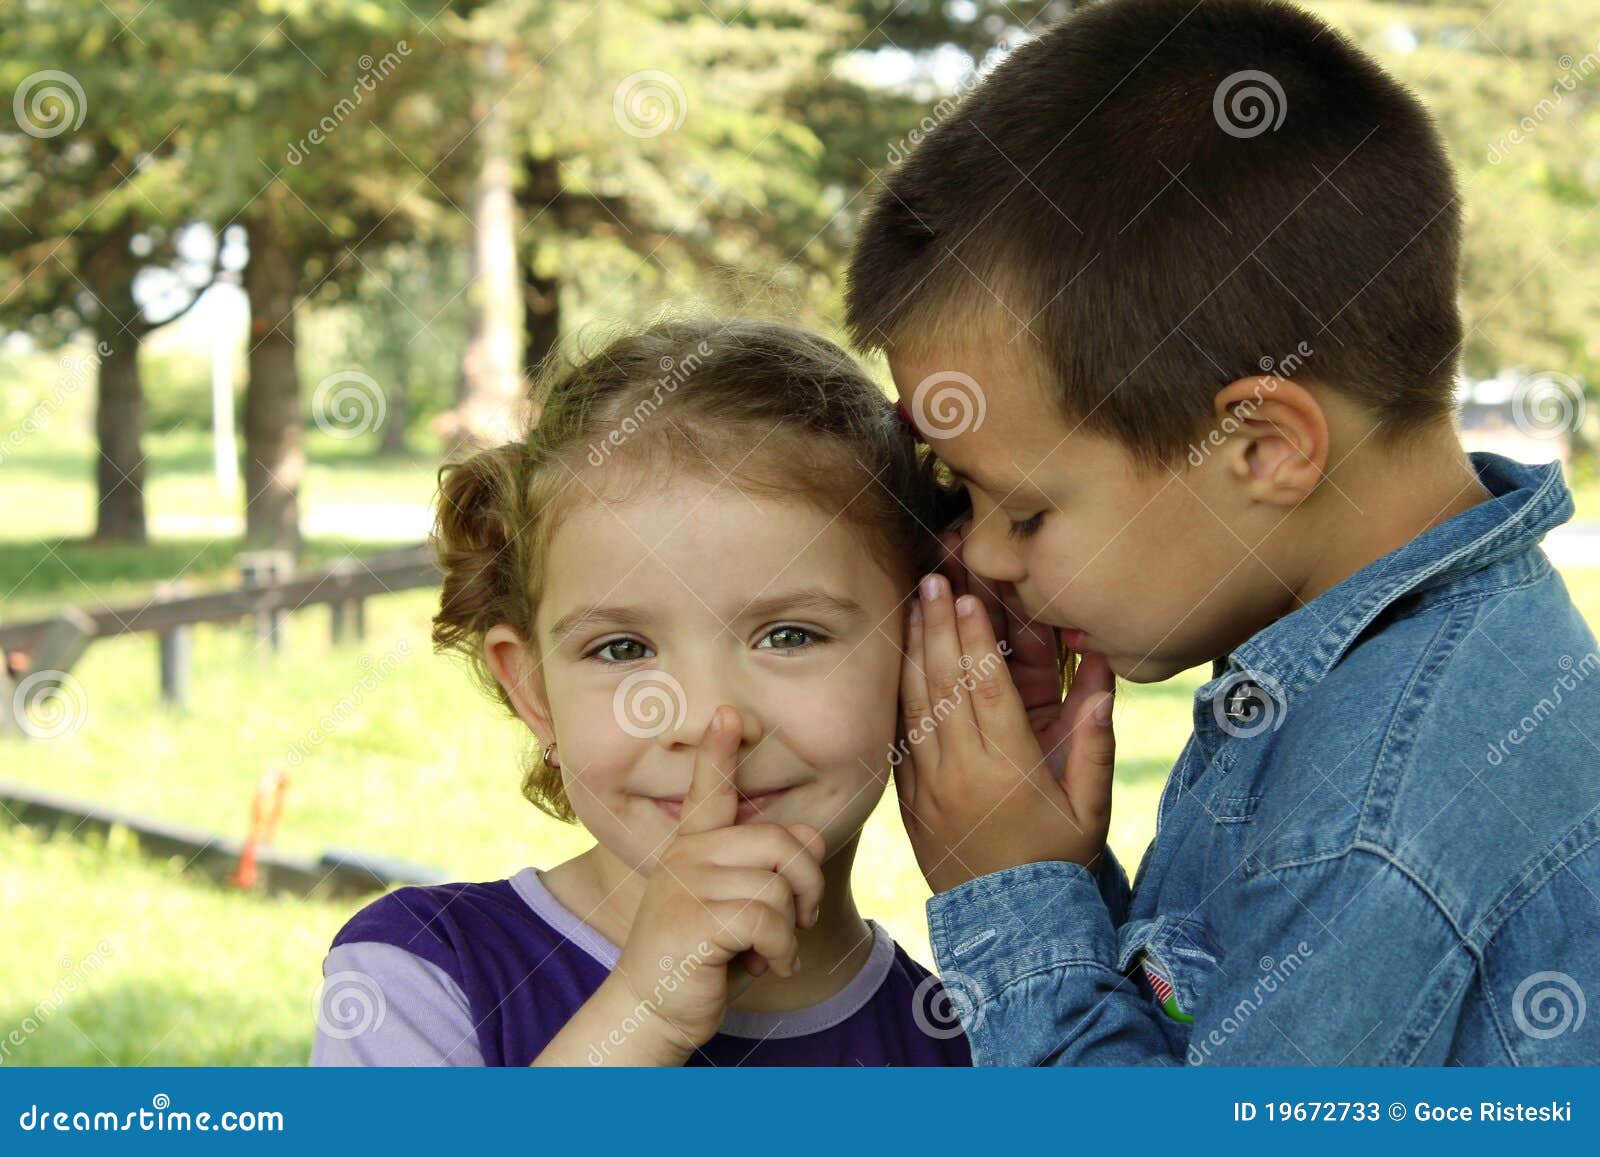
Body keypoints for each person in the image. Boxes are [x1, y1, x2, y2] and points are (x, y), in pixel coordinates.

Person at [843, 0, 1600, 1064]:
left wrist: (1006, 896)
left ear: (1260, 448)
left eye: (1024, 508)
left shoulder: (1365, 823)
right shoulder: (1440, 666)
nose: (988, 555)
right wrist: (1064, 873)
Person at [312, 318, 973, 1066]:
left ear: (927, 648)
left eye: (789, 635)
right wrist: (646, 1013)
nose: (705, 720)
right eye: (621, 648)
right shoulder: (424, 975)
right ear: (533, 693)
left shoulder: (969, 1043)